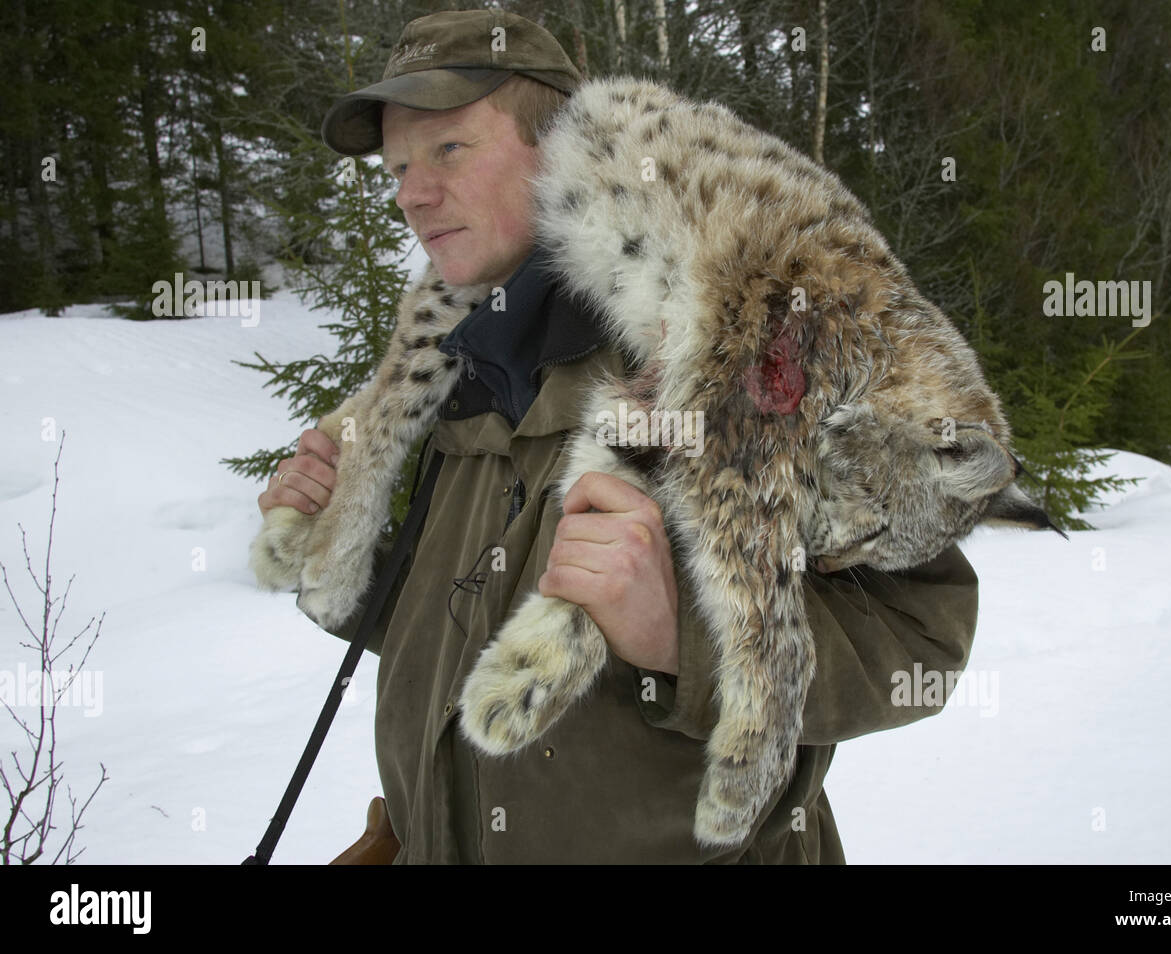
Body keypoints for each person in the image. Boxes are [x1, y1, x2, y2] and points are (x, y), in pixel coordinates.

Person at [256, 9, 981, 864]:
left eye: (448, 151)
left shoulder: (759, 341)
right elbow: (459, 624)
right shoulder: (453, 372)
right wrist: (344, 548)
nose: (413, 193)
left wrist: (682, 638)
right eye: (399, 167)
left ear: (561, 142)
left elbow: (923, 639)